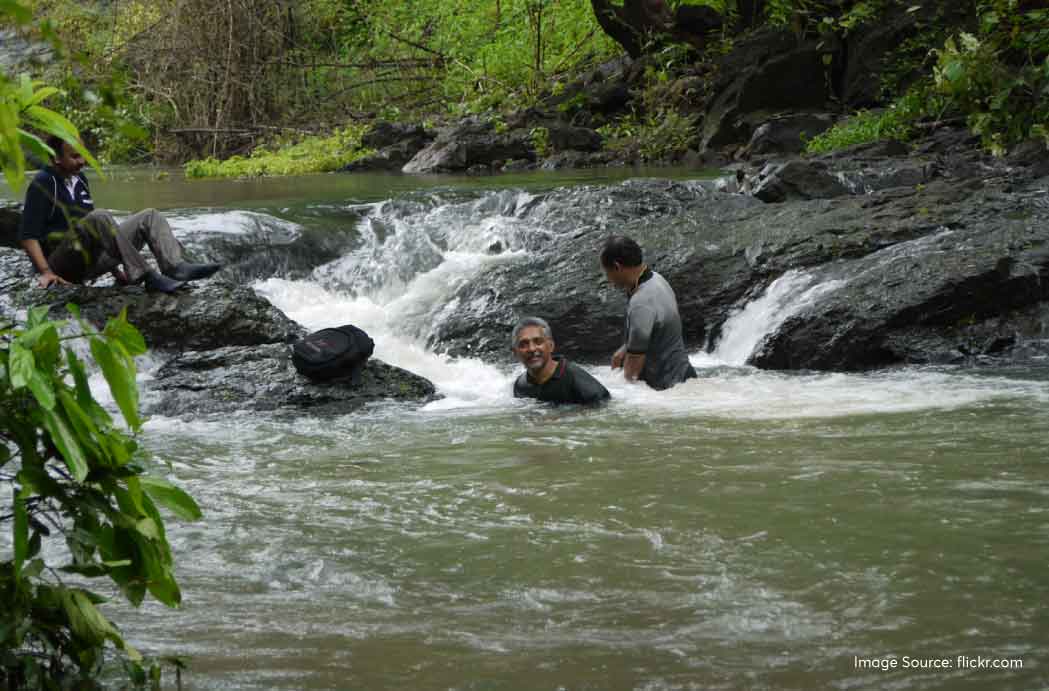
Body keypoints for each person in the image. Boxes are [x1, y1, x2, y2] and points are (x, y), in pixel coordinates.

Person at [18, 135, 222, 293]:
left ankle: (175, 267)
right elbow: (28, 237)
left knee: (149, 216)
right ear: (56, 159)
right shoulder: (43, 183)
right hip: (62, 264)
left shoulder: (80, 180)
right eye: (74, 156)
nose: (82, 161)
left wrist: (115, 271)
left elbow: (95, 231)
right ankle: (146, 276)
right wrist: (46, 272)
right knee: (99, 216)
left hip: (89, 261)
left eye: (83, 154)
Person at [600, 235, 697, 390]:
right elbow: (655, 327)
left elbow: (633, 365)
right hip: (684, 376)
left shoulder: (641, 302)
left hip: (668, 388)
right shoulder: (657, 280)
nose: (608, 279)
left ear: (617, 267)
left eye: (608, 272)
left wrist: (622, 393)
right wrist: (625, 348)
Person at [511, 316, 610, 406]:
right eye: (524, 344)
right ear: (515, 353)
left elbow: (605, 409)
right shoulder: (521, 385)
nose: (532, 349)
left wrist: (560, 418)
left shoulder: (578, 381)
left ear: (551, 346)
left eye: (538, 342)